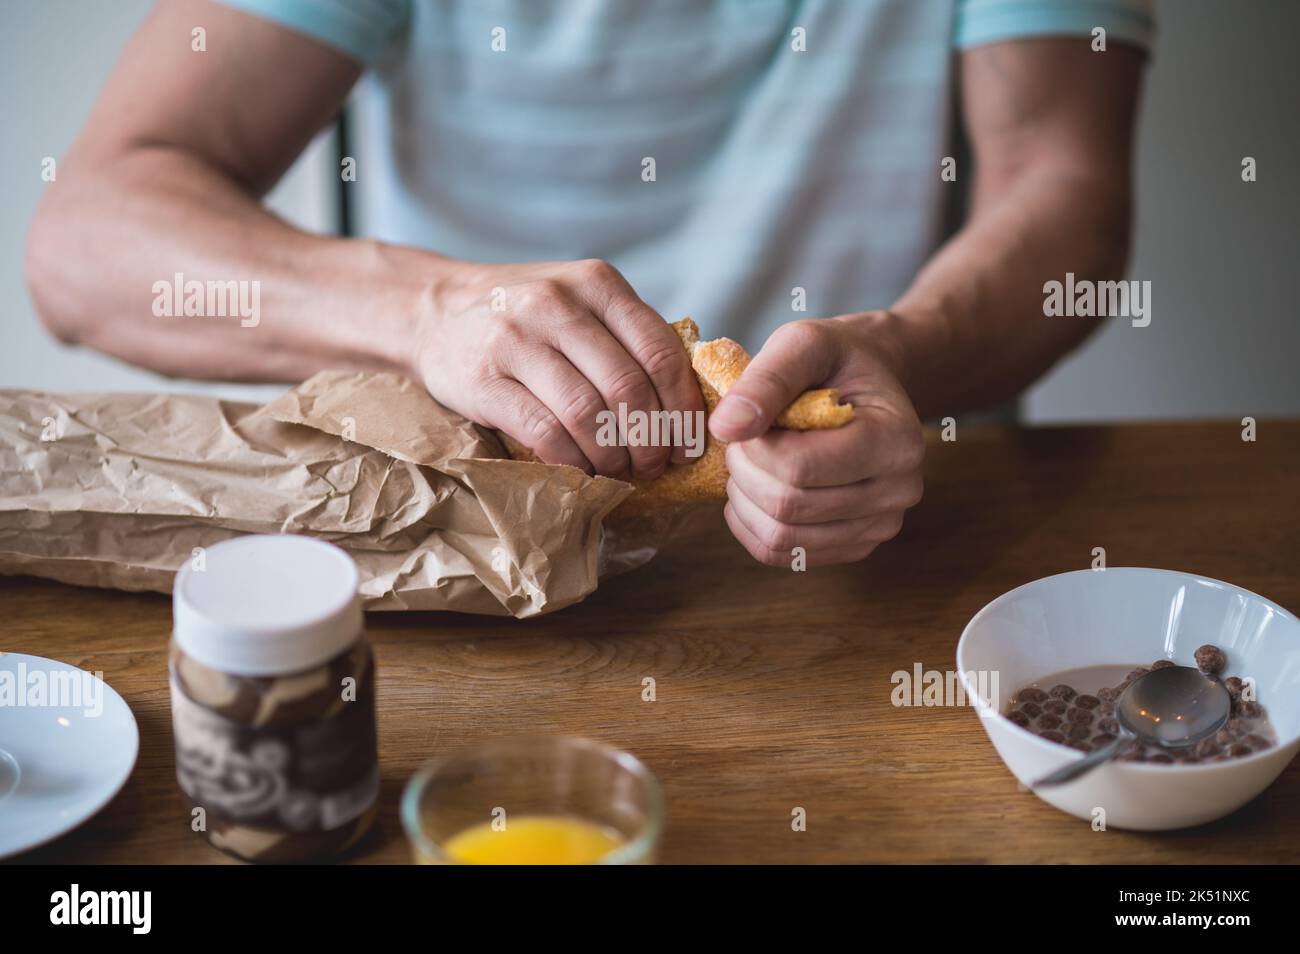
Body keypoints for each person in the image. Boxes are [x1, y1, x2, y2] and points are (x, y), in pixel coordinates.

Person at [25, 0, 1151, 567]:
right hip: (458, 546)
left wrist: (907, 352)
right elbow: (85, 244)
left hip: (903, 541)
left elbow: (1066, 195)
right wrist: (426, 311)